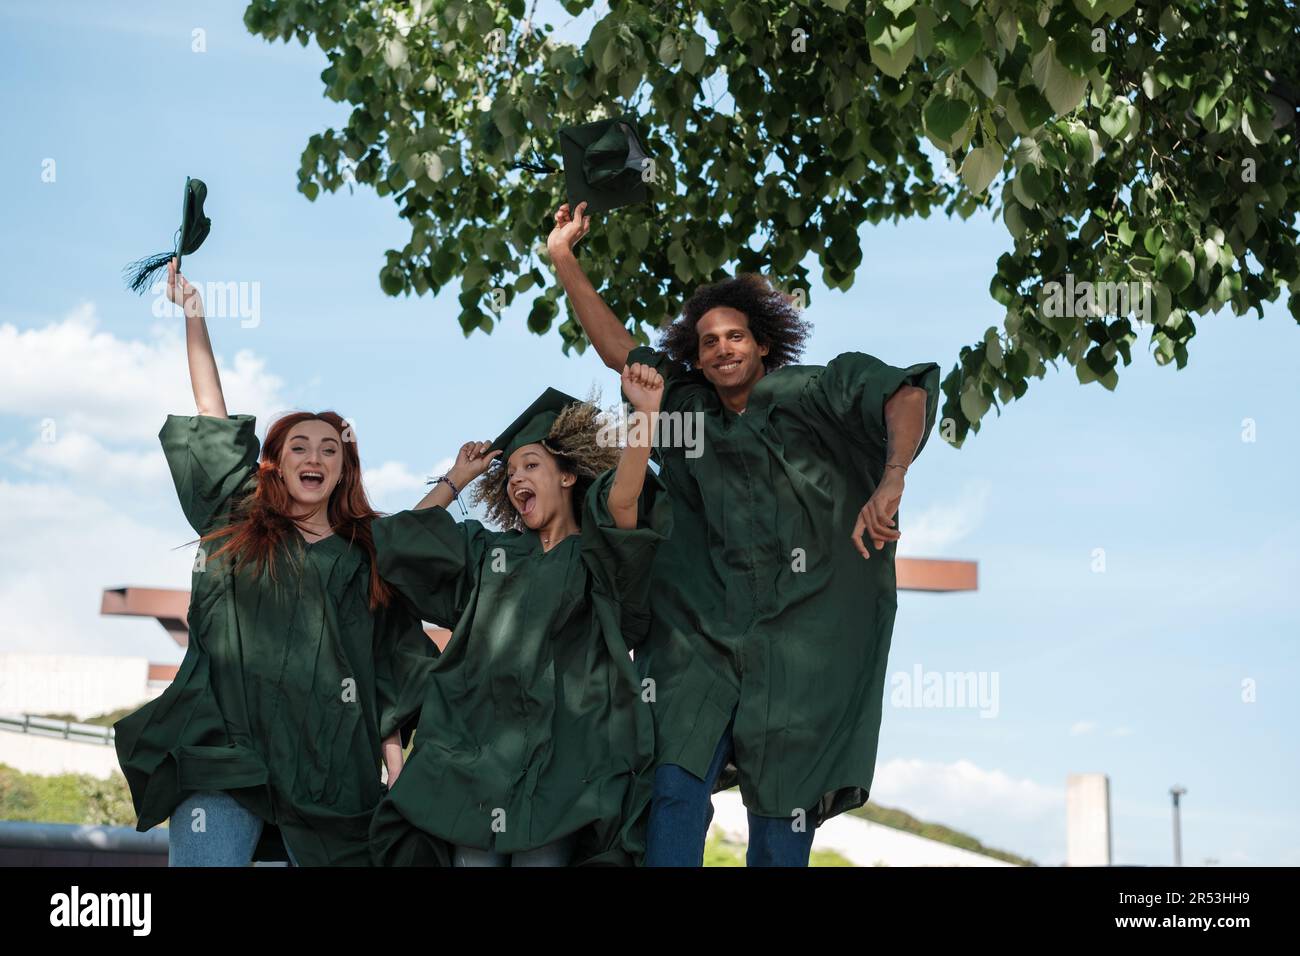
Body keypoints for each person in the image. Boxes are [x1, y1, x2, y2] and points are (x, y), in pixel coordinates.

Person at [547, 202, 942, 866]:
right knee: (673, 785)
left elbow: (903, 392)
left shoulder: (811, 393)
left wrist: (892, 476)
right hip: (699, 636)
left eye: (735, 335)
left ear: (762, 343)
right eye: (707, 341)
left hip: (800, 634)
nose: (722, 348)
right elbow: (621, 353)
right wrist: (564, 257)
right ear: (694, 358)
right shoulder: (690, 412)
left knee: (780, 814)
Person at [114, 259, 436, 866]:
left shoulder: (363, 561)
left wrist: (399, 776)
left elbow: (387, 675)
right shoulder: (237, 524)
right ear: (276, 464)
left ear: (343, 468)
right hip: (228, 756)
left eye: (329, 449)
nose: (314, 456)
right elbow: (213, 415)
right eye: (299, 446)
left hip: (331, 773)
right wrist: (196, 317)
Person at [368, 366, 670, 866]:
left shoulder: (598, 557)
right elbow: (401, 540)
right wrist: (457, 478)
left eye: (530, 466)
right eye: (509, 474)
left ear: (568, 474)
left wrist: (645, 418)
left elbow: (624, 500)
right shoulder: (490, 554)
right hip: (477, 758)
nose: (516, 480)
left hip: (562, 764)